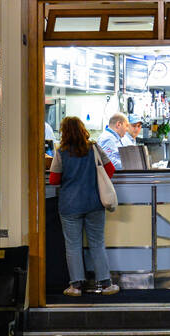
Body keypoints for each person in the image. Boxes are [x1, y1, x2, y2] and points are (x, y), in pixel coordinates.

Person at [48, 116, 119, 296]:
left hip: (69, 206)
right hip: (94, 203)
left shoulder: (61, 152)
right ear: (83, 130)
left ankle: (76, 286)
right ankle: (105, 284)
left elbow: (54, 180)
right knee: (97, 243)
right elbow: (110, 170)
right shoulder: (93, 148)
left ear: (64, 132)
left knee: (72, 245)